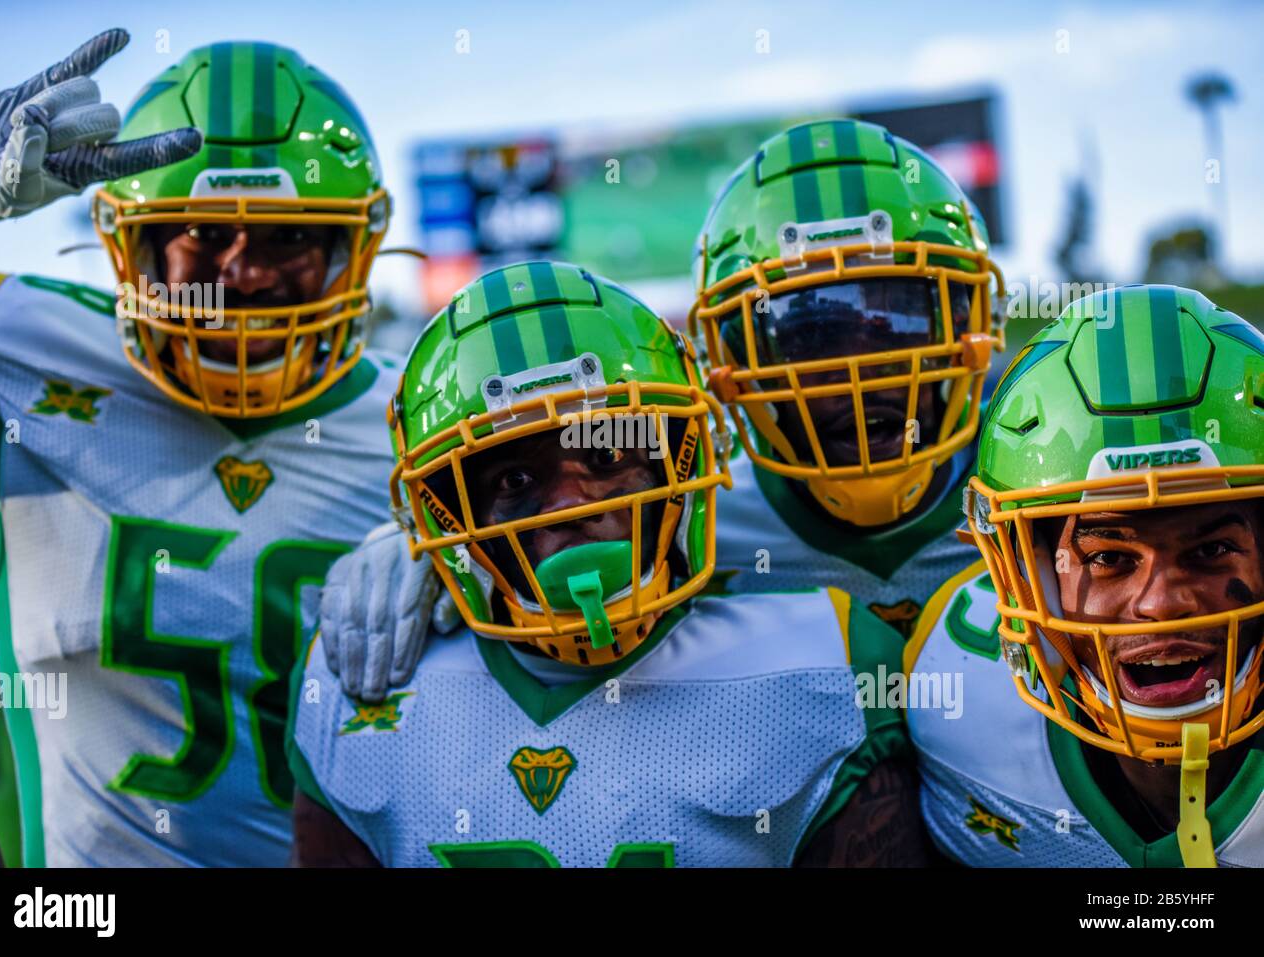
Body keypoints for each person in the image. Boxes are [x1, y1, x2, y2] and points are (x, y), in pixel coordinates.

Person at [317, 119, 1008, 707]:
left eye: (898, 318)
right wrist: (419, 548)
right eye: (809, 329)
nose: (859, 368)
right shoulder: (681, 513)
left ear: (977, 322)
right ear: (725, 354)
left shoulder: (1046, 497)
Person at [291, 262, 923, 866]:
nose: (571, 505)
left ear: (679, 464)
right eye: (514, 478)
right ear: (447, 515)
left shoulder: (834, 661)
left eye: (604, 459)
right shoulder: (359, 680)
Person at [0, 32, 400, 865]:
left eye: (288, 238)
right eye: (201, 230)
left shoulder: (425, 433)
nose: (241, 272)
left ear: (353, 250)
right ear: (132, 245)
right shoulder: (13, 354)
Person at [908, 284, 1264, 866]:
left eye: (1213, 549)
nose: (1162, 604)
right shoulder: (958, 709)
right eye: (1108, 557)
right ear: (1030, 569)